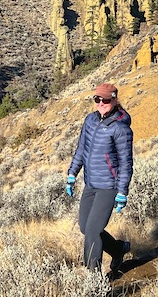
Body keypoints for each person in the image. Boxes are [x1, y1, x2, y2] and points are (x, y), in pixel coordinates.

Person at [66, 83, 133, 275]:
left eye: (106, 100)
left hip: (108, 186)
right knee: (85, 227)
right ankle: (118, 250)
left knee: (93, 231)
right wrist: (72, 174)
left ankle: (93, 280)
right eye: (97, 99)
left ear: (114, 100)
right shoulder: (90, 120)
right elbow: (81, 149)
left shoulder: (121, 128)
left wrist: (122, 192)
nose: (101, 103)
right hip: (91, 183)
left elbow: (126, 163)